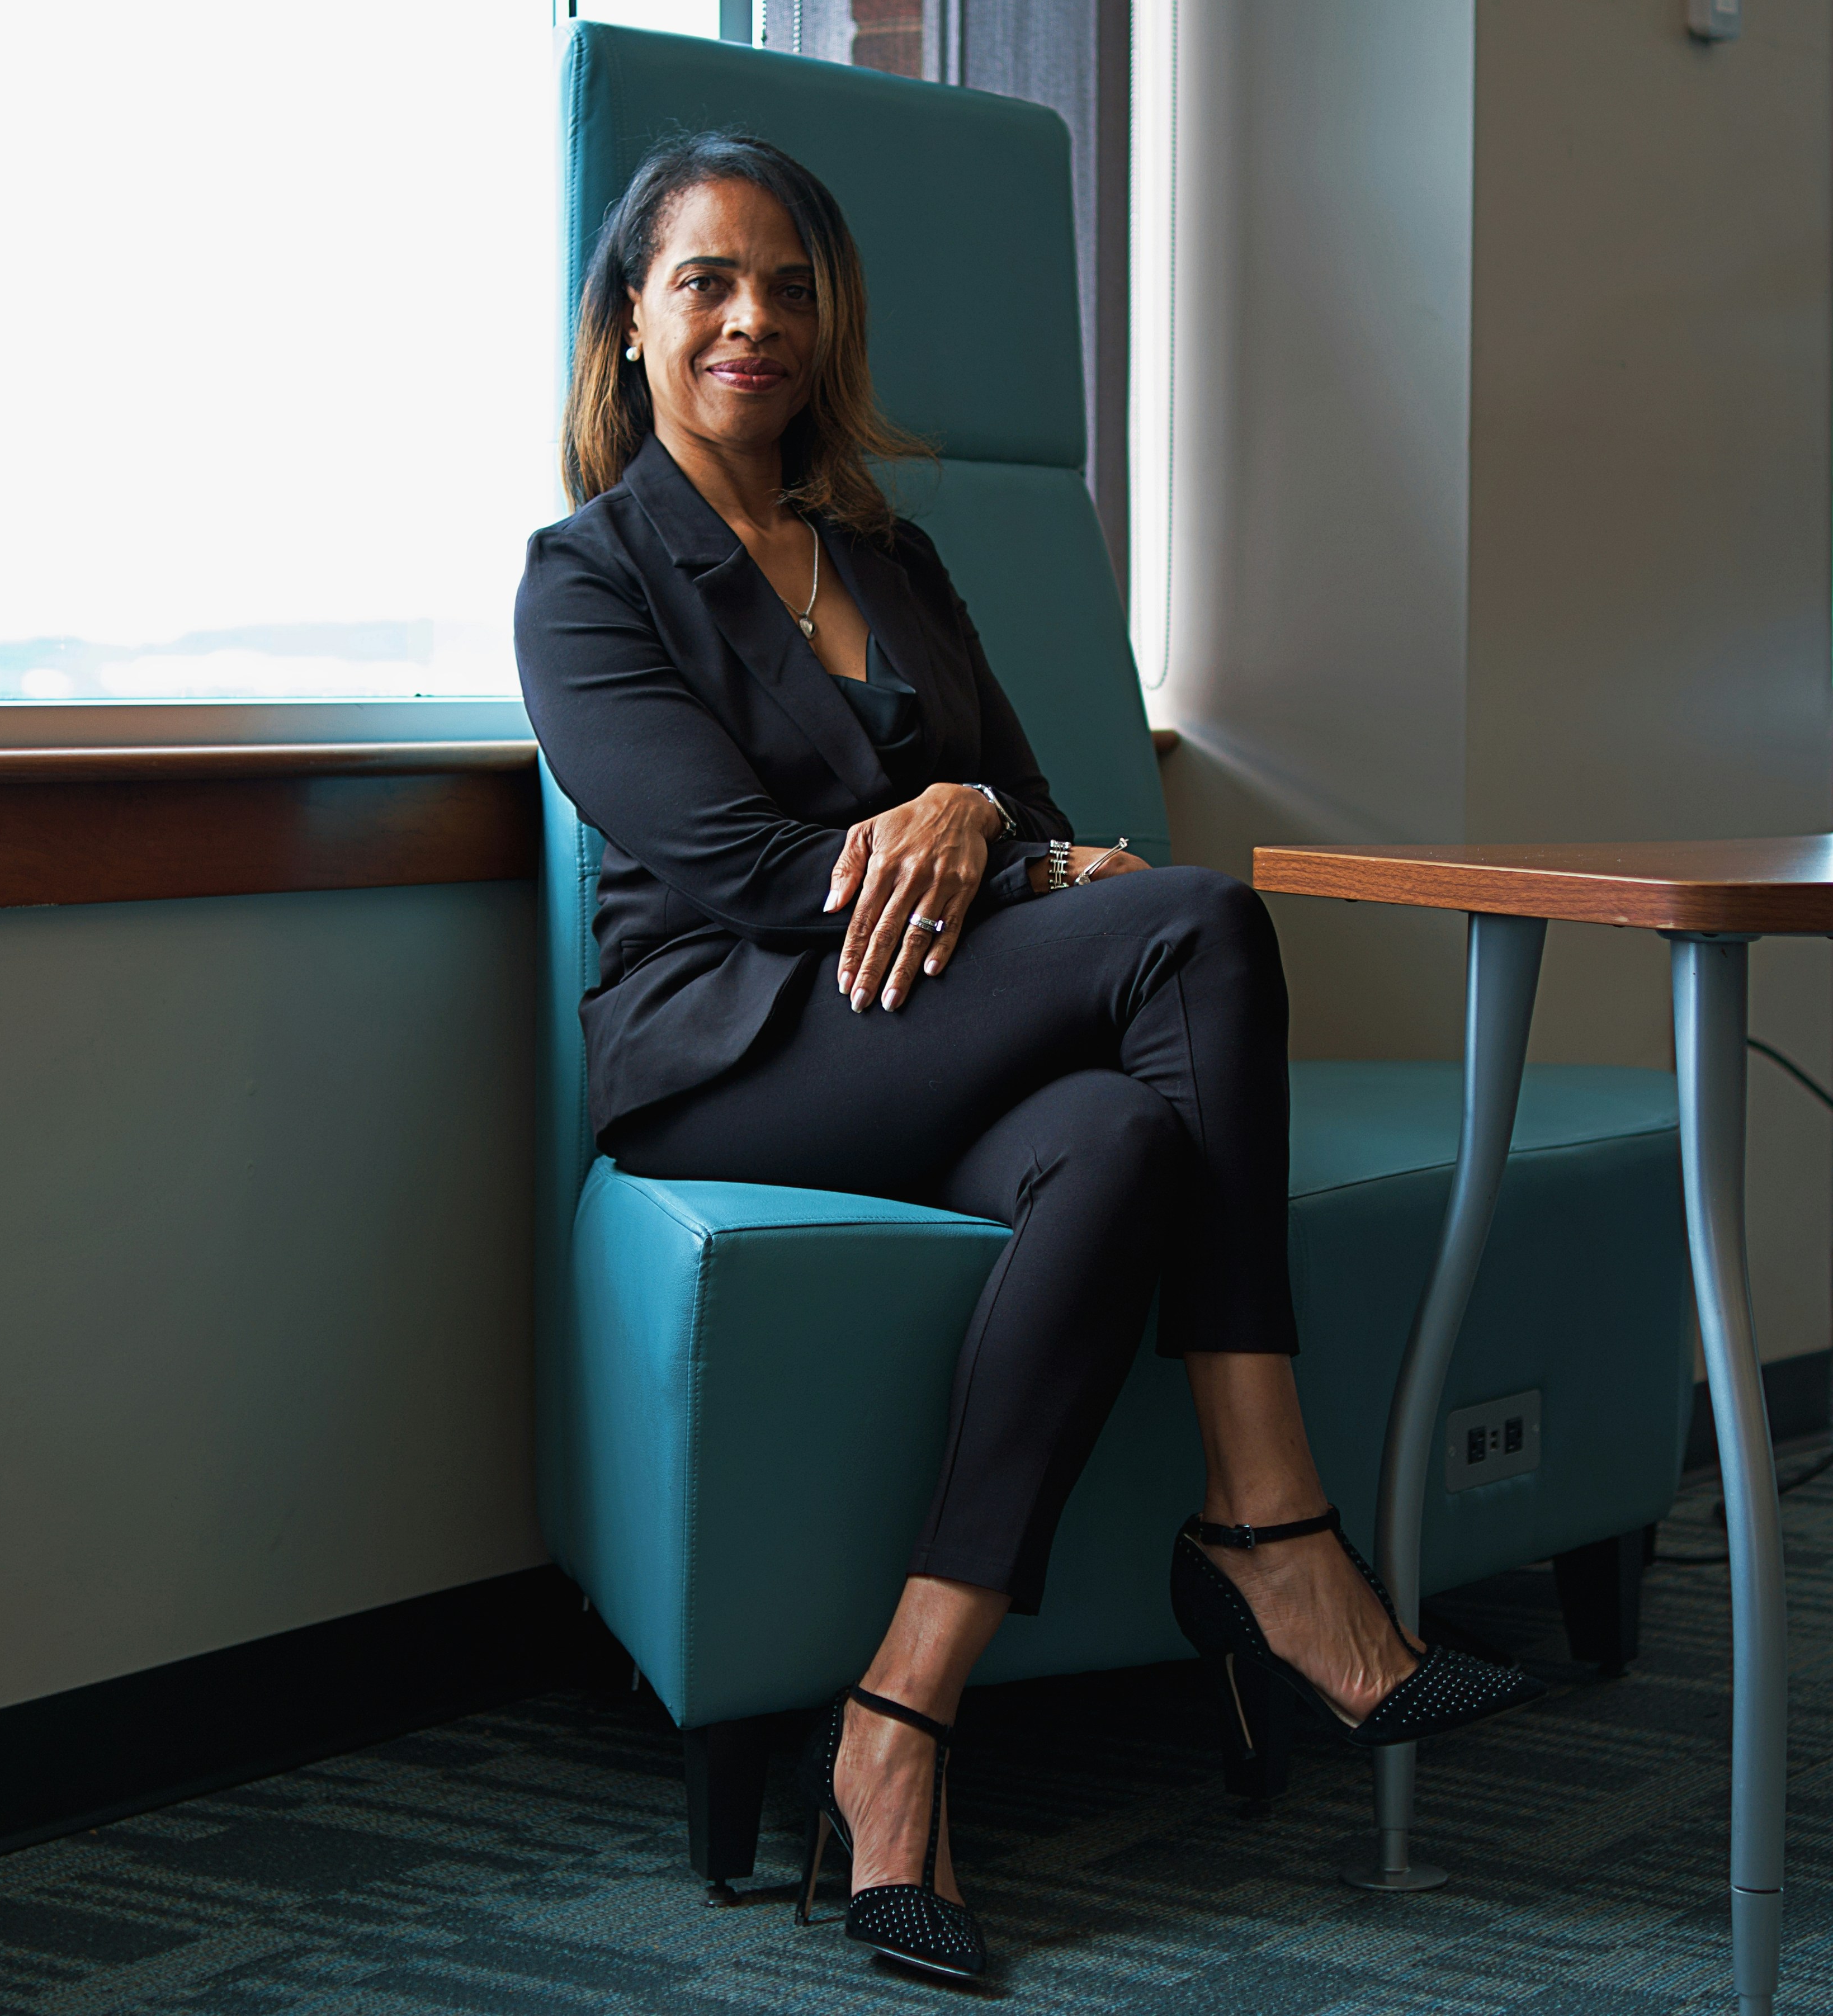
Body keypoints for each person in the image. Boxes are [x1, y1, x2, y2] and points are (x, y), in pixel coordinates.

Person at [514, 131, 1541, 1982]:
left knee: (1121, 1148)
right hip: (733, 1050)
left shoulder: (887, 556)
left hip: (918, 1027)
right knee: (1199, 922)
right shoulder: (586, 577)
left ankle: (896, 1719)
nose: (755, 318)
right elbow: (749, 883)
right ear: (631, 322)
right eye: (707, 282)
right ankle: (1270, 1527)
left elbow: (1045, 811)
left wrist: (969, 802)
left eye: (793, 285)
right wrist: (953, 831)